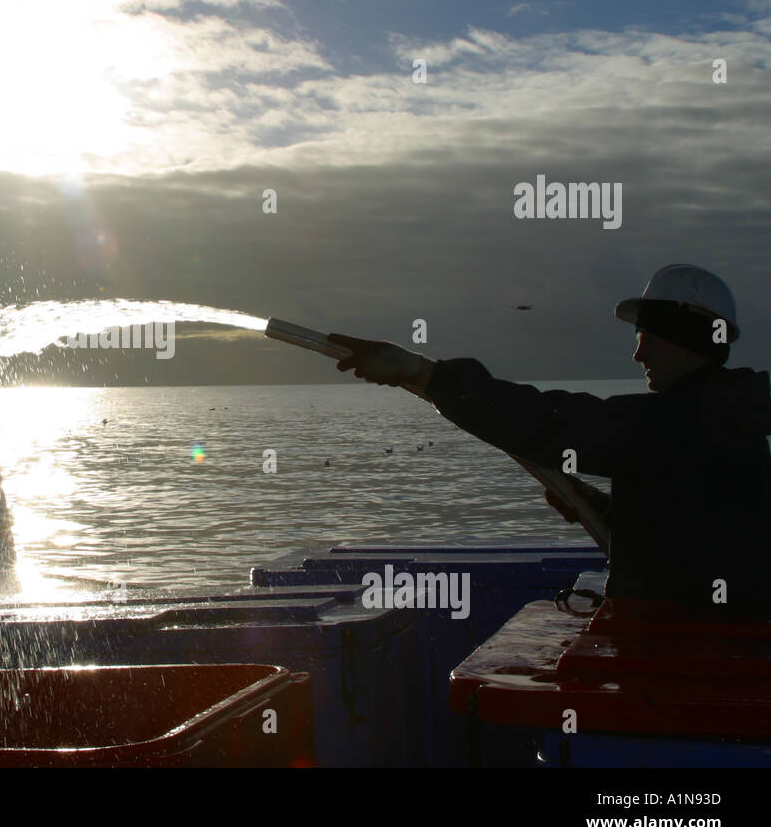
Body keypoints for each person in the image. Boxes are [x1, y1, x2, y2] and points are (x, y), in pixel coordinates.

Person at [329, 264, 771, 619]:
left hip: (689, 659)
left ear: (685, 340)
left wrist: (420, 372)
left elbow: (547, 422)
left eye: (648, 339)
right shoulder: (729, 419)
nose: (638, 355)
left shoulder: (678, 422)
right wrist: (592, 505)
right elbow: (689, 535)